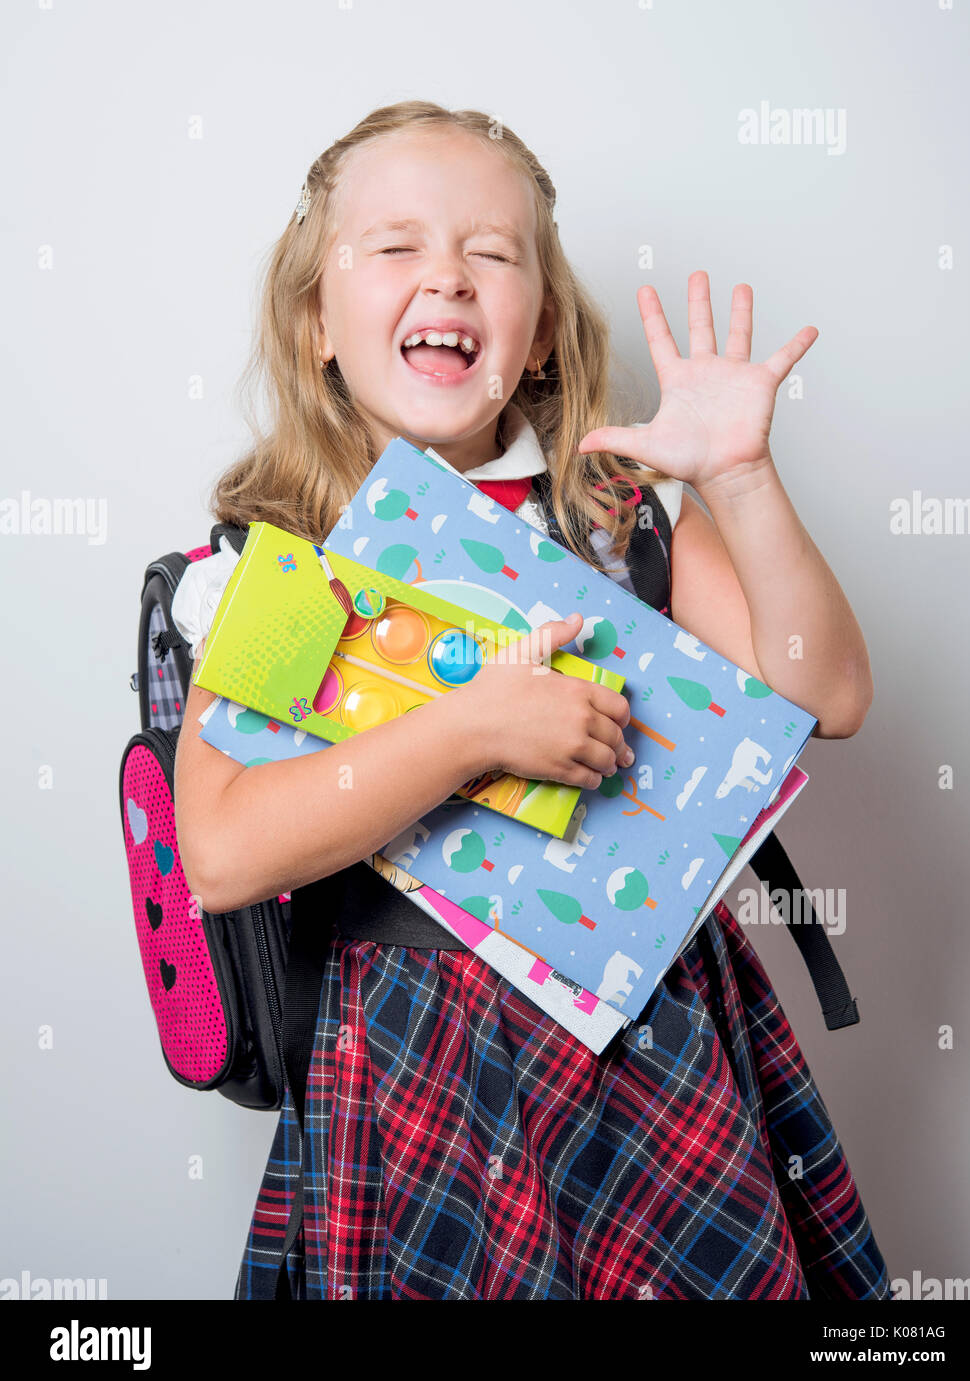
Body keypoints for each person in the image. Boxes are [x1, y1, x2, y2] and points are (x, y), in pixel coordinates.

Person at [173, 100, 892, 1301]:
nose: (445, 277)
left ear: (543, 332)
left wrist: (741, 480)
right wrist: (467, 733)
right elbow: (223, 850)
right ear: (315, 326)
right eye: (395, 248)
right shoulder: (285, 563)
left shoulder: (610, 517)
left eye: (491, 254)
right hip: (410, 1068)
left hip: (653, 1048)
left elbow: (829, 691)